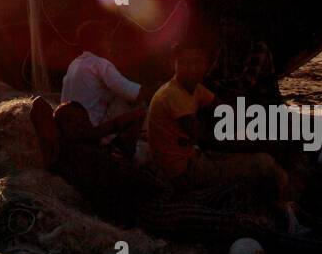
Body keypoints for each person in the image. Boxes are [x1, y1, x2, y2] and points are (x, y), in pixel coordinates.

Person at [147, 43, 305, 233]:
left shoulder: (195, 89)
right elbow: (208, 141)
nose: (191, 68)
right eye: (184, 63)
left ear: (206, 65)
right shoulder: (173, 95)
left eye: (196, 62)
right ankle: (290, 218)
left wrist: (262, 126)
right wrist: (259, 144)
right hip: (183, 172)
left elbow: (226, 111)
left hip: (194, 157)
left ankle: (288, 203)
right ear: (173, 64)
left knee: (264, 151)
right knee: (263, 163)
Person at [59, 20, 147, 155]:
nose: (111, 45)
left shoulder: (74, 64)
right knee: (130, 103)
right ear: (97, 42)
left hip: (70, 131)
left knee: (117, 95)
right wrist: (161, 89)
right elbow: (134, 93)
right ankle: (119, 147)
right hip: (91, 132)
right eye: (108, 40)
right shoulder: (99, 64)